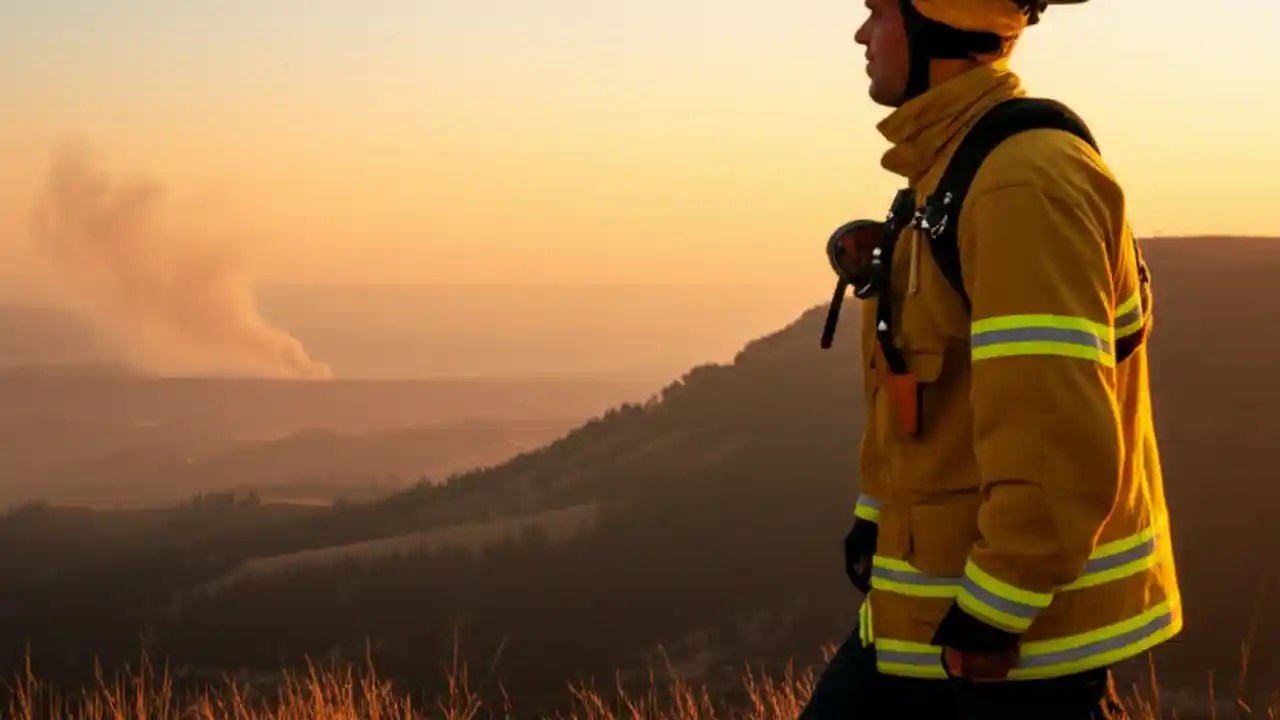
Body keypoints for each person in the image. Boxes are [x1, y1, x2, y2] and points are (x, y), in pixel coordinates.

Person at [800, 1, 1183, 717]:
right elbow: (925, 395)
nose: (860, 34)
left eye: (878, 10)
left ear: (938, 20)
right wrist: (874, 514)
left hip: (1003, 657)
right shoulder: (952, 172)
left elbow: (1053, 428)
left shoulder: (1019, 184)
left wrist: (995, 609)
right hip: (936, 624)